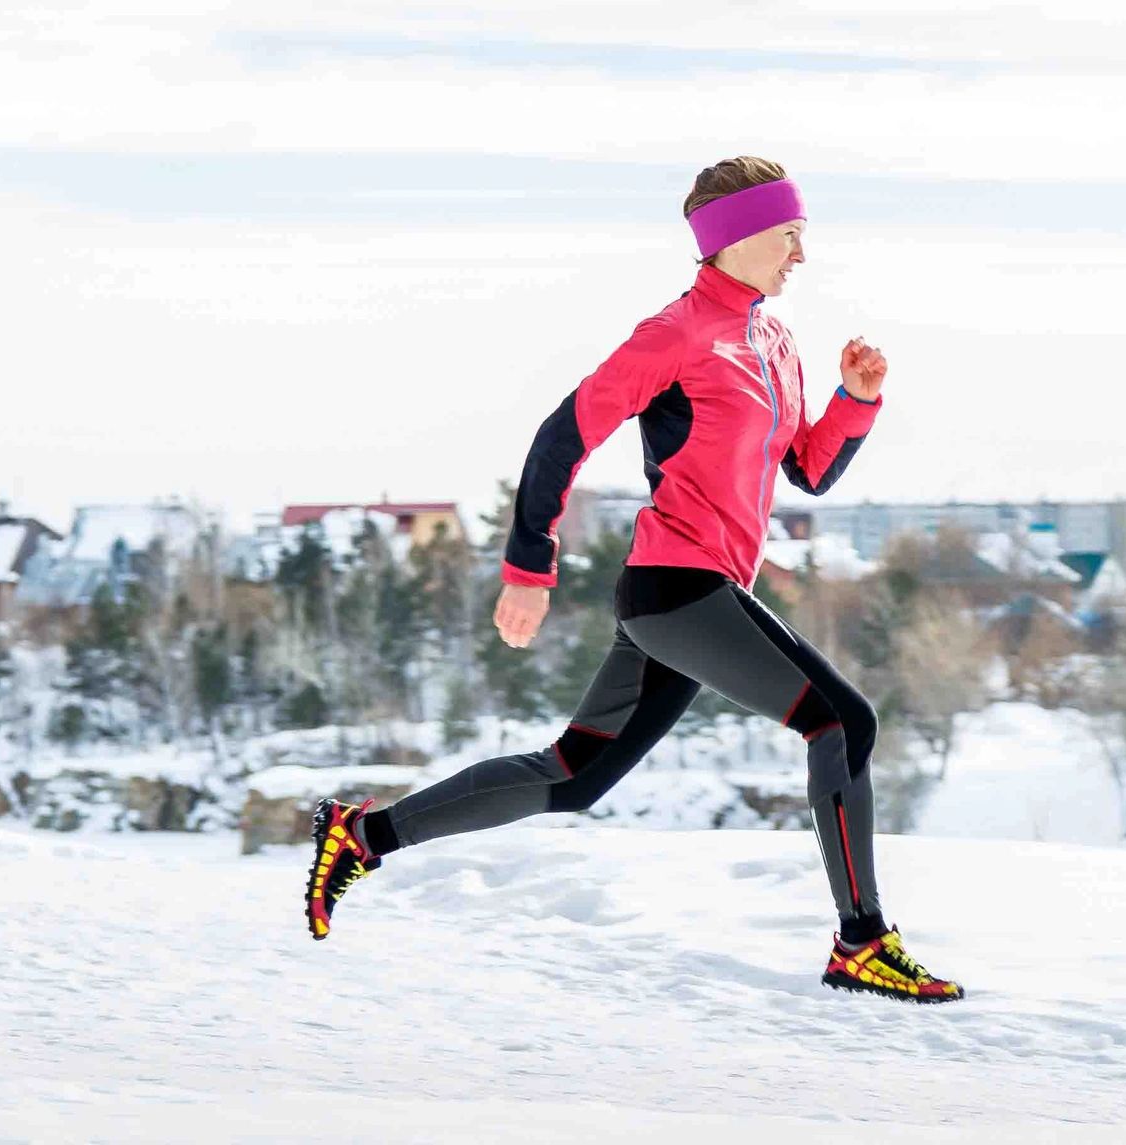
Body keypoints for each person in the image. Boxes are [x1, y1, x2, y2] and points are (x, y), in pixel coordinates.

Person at [301, 156, 961, 1004]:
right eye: (790, 234)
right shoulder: (677, 335)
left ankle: (362, 836)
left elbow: (806, 469)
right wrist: (528, 566)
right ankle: (862, 941)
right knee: (842, 721)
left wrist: (854, 401)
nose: (801, 253)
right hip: (677, 586)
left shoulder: (772, 340)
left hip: (699, 596)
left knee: (571, 776)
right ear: (738, 237)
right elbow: (560, 436)